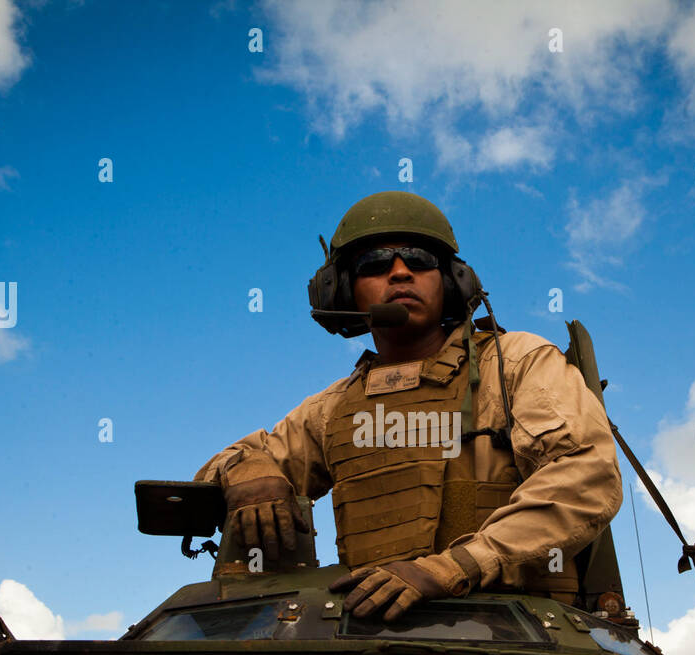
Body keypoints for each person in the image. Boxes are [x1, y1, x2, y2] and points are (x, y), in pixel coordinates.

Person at [194, 191, 622, 622]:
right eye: (374, 265)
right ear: (342, 289)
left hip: (520, 632)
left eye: (419, 261)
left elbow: (586, 474)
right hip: (379, 637)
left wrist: (457, 566)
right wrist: (248, 473)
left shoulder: (515, 362)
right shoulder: (334, 408)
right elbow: (236, 459)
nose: (400, 273)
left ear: (453, 281)